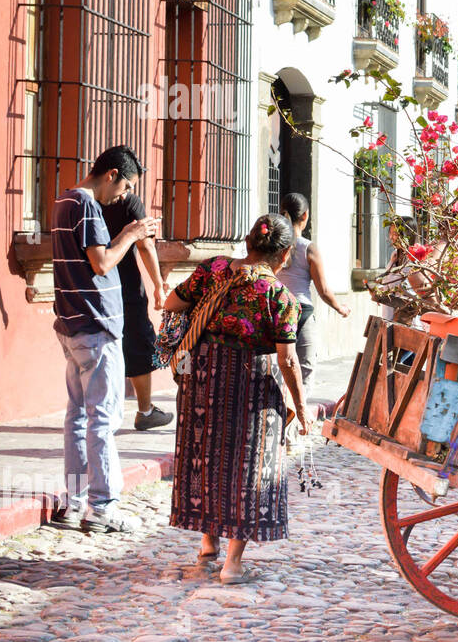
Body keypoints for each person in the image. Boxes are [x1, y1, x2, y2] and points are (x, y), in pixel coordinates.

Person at [165, 214, 309, 584]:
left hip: (204, 378)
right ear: (285, 255)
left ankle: (206, 550)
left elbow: (171, 302)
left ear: (247, 244)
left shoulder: (212, 270)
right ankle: (232, 564)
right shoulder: (279, 296)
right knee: (248, 464)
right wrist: (302, 406)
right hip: (251, 384)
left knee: (206, 458)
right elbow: (287, 358)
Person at [49, 146, 157, 533]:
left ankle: (76, 503)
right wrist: (131, 232)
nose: (125, 195)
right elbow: (102, 262)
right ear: (110, 174)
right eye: (125, 185)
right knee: (103, 419)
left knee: (78, 416)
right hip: (95, 327)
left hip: (73, 324)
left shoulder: (63, 200)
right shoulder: (87, 206)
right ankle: (102, 506)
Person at [101, 184, 172, 432]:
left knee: (102, 346)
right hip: (127, 287)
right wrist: (158, 286)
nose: (127, 189)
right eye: (128, 182)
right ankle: (145, 411)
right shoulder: (129, 202)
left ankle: (100, 410)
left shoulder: (85, 203)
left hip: (95, 287)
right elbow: (145, 246)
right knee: (138, 343)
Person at [278, 193, 351, 386]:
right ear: (305, 216)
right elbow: (324, 290)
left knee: (278, 366)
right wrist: (340, 308)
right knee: (305, 369)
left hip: (275, 309)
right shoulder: (308, 248)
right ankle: (295, 411)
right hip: (301, 312)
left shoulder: (273, 245)